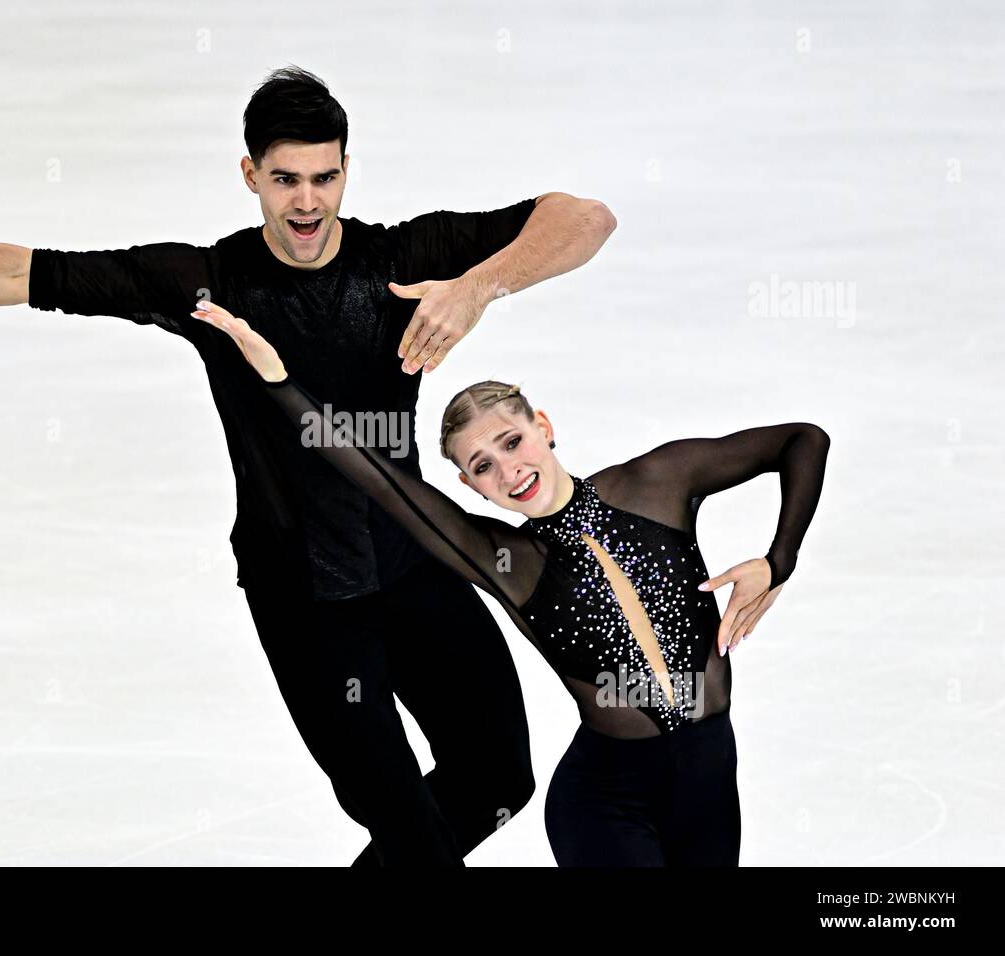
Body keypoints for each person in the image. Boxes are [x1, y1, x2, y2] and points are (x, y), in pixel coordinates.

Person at [0, 66, 618, 865]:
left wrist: (479, 285)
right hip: (304, 597)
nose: (306, 202)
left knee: (499, 782)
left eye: (324, 176)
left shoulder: (402, 262)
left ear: (346, 171)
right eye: (285, 180)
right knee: (398, 823)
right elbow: (23, 273)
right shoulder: (206, 282)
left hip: (419, 564)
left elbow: (584, 218)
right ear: (250, 177)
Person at [191, 297, 830, 866]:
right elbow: (377, 478)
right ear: (471, 487)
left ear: (543, 427)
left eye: (513, 441)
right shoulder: (503, 557)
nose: (510, 469)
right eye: (483, 465)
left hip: (712, 779)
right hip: (605, 802)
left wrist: (778, 561)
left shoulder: (658, 482)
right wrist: (278, 380)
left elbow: (803, 441)